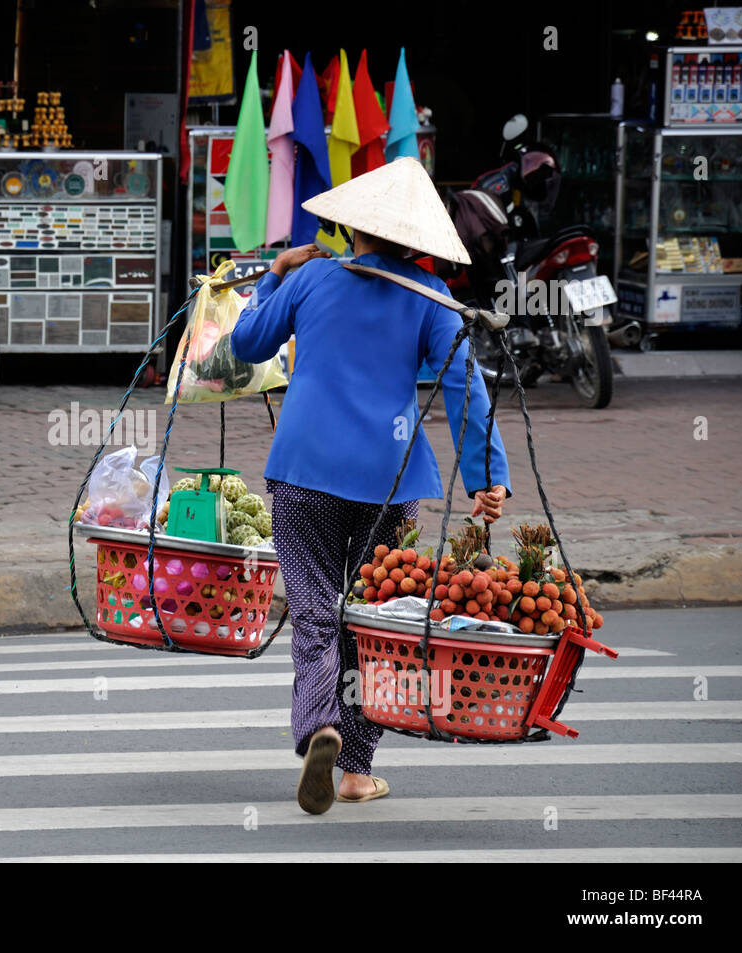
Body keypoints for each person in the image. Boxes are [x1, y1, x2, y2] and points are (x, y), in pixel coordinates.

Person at [230, 156, 511, 816]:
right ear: (416, 241)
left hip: (304, 468)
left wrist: (272, 278)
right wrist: (488, 478)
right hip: (389, 476)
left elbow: (247, 341)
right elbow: (466, 387)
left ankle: (318, 724)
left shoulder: (313, 278)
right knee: (375, 621)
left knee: (316, 614)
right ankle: (355, 769)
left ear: (351, 228)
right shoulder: (430, 297)